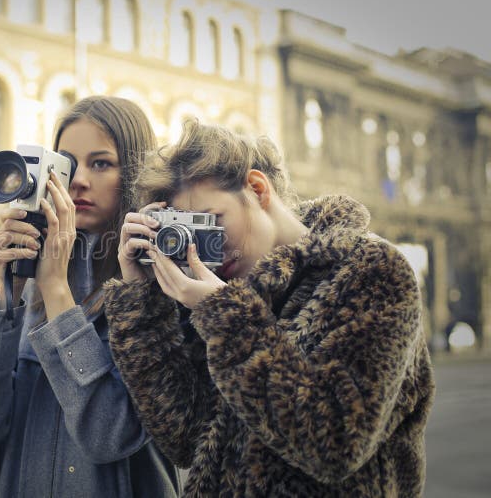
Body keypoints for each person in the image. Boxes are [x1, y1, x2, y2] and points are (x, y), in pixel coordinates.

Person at [103, 119, 435, 497]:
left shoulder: (371, 270)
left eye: (213, 221)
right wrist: (140, 301)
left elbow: (336, 444)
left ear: (257, 188)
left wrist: (229, 319)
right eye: (192, 232)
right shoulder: (223, 296)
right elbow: (184, 439)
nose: (204, 248)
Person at [0, 96, 180, 497]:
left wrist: (56, 289)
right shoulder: (33, 282)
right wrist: (8, 293)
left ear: (135, 174)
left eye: (102, 163)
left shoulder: (159, 292)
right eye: (69, 164)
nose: (79, 180)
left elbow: (110, 435)